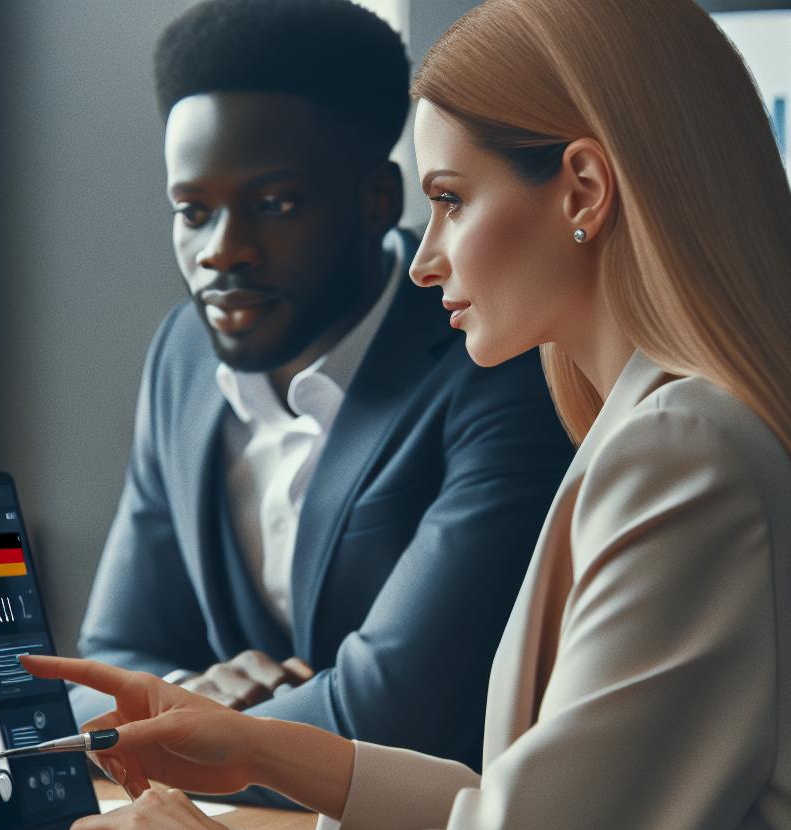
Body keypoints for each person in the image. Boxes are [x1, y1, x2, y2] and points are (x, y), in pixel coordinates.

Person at [35, 0, 791, 830]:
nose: (425, 255)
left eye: (450, 199)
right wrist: (264, 745)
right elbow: (526, 820)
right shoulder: (656, 432)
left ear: (582, 191)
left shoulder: (681, 456)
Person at [73, 0, 573, 777]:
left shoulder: (494, 362)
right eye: (193, 212)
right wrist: (187, 699)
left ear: (376, 198)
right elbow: (106, 661)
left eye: (274, 205)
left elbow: (391, 715)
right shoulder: (180, 357)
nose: (222, 253)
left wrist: (183, 729)